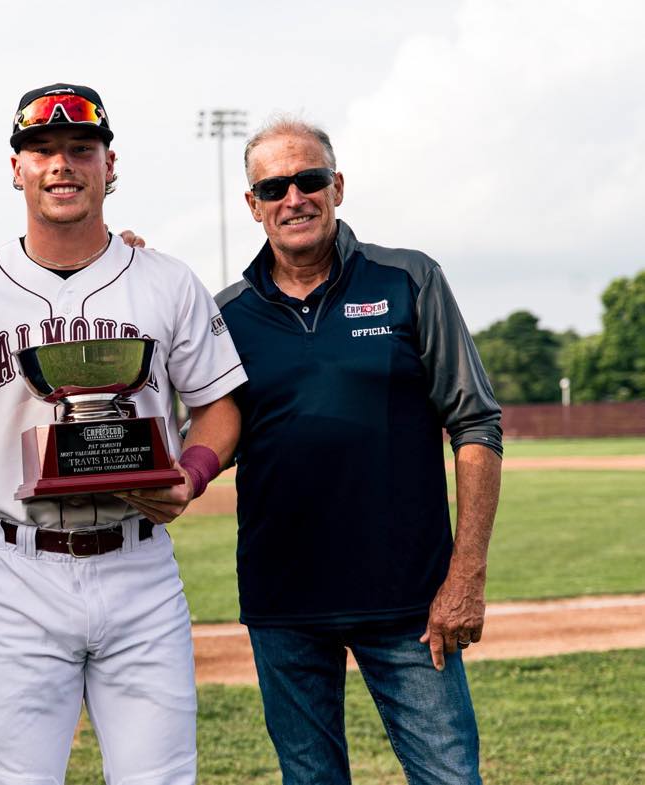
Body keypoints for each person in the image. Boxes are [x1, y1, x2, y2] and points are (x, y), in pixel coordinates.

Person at [0, 83, 245, 784]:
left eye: (80, 149)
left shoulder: (166, 281)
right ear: (15, 168)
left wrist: (192, 472)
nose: (62, 164)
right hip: (18, 570)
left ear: (109, 165)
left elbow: (220, 404)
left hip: (139, 566)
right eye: (41, 150)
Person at [215, 117, 503, 784]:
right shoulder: (224, 313)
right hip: (283, 604)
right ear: (252, 204)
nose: (294, 197)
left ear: (336, 187)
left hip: (410, 603)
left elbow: (476, 425)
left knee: (448, 777)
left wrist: (465, 577)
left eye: (309, 179)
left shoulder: (407, 279)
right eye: (274, 185)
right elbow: (209, 438)